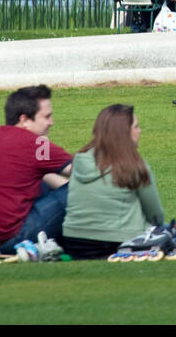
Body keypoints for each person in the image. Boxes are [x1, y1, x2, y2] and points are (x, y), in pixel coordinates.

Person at [0, 85, 74, 252]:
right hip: (13, 239)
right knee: (83, 190)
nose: (51, 122)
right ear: (24, 120)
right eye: (47, 117)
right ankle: (96, 245)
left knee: (48, 185)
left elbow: (45, 175)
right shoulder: (36, 143)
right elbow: (87, 173)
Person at [60, 104, 167, 261]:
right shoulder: (134, 165)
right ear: (124, 133)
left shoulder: (79, 160)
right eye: (136, 126)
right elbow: (155, 215)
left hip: (74, 240)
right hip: (117, 243)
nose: (140, 131)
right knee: (173, 233)